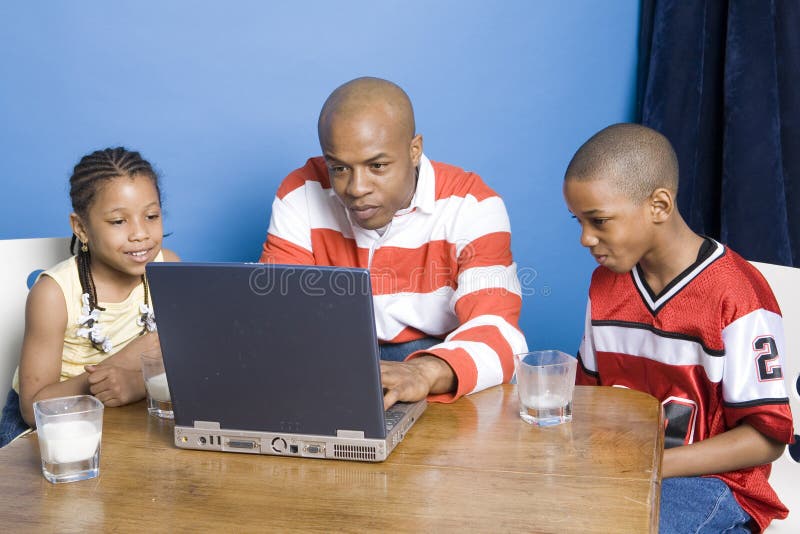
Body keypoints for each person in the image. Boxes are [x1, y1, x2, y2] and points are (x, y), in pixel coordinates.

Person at [563, 123, 794, 532]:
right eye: (578, 221)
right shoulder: (605, 285)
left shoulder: (736, 295)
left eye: (599, 221)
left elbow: (768, 438)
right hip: (622, 470)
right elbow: (588, 399)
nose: (585, 238)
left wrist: (654, 465)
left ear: (659, 205)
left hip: (715, 484)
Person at [260, 77, 527, 409]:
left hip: (437, 372)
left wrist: (424, 372)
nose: (357, 188)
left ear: (414, 150)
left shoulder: (472, 205)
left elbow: (499, 332)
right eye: (340, 168)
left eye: (377, 166)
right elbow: (279, 318)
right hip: (334, 370)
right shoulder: (302, 192)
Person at [0, 147, 179, 447]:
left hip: (124, 420)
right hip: (47, 429)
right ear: (81, 228)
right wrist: (113, 369)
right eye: (118, 222)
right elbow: (32, 409)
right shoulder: (53, 294)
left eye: (151, 216)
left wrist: (135, 383)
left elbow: (185, 361)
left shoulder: (168, 269)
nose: (140, 234)